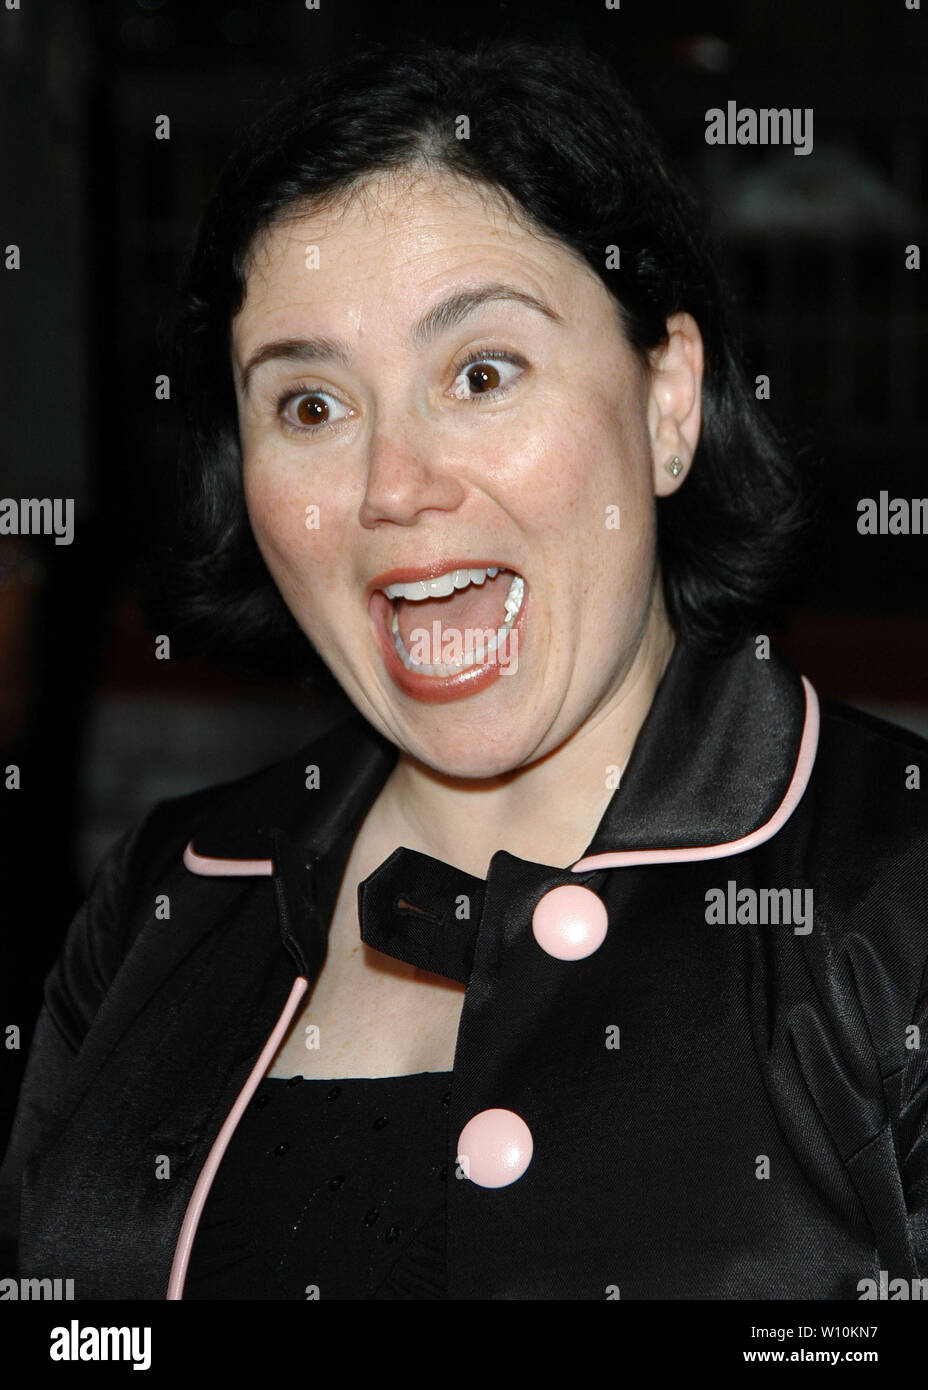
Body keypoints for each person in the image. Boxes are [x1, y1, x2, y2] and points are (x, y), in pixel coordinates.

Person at [1, 38, 925, 1302]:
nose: (393, 488)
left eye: (481, 374)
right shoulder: (170, 897)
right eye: (311, 406)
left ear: (669, 406)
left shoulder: (894, 900)